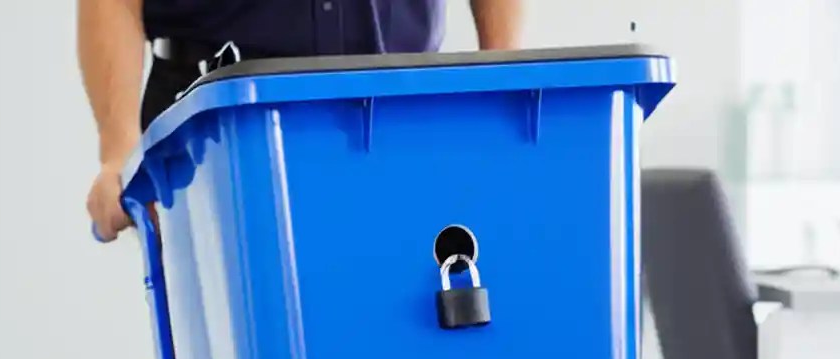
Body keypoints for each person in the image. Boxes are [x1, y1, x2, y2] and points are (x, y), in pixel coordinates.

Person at [80, 0, 524, 241]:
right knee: (248, 356)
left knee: (411, 341)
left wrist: (504, 93)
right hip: (215, 128)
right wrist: (120, 151)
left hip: (401, 119)